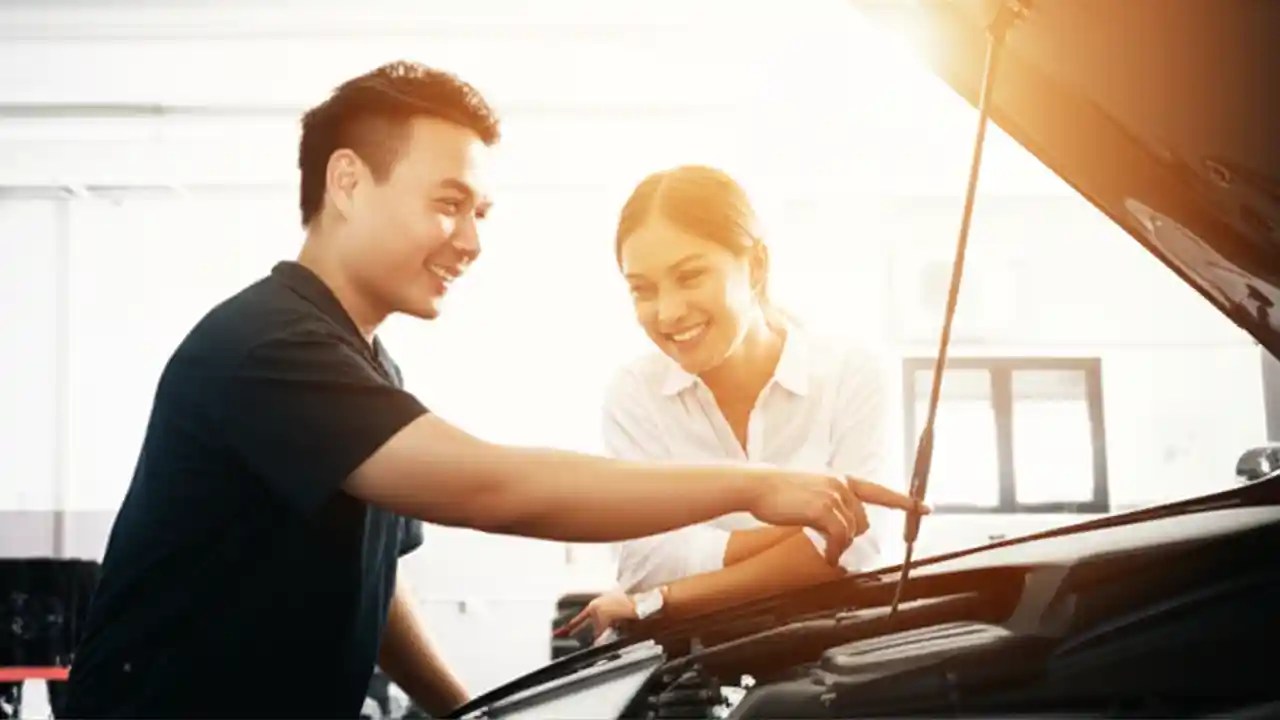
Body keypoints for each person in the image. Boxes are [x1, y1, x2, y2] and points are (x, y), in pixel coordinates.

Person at [62, 62, 919, 719]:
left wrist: (462, 709)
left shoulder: (365, 364)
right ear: (349, 183)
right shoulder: (270, 345)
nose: (471, 240)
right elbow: (496, 489)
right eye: (449, 204)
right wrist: (760, 487)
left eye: (482, 213)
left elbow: (379, 583)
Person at [557, 165, 927, 641]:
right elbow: (645, 560)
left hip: (835, 658)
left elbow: (859, 548)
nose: (667, 312)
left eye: (689, 277)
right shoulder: (635, 393)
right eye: (642, 289)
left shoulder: (850, 373)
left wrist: (662, 601)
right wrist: (801, 530)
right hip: (689, 668)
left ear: (755, 267)